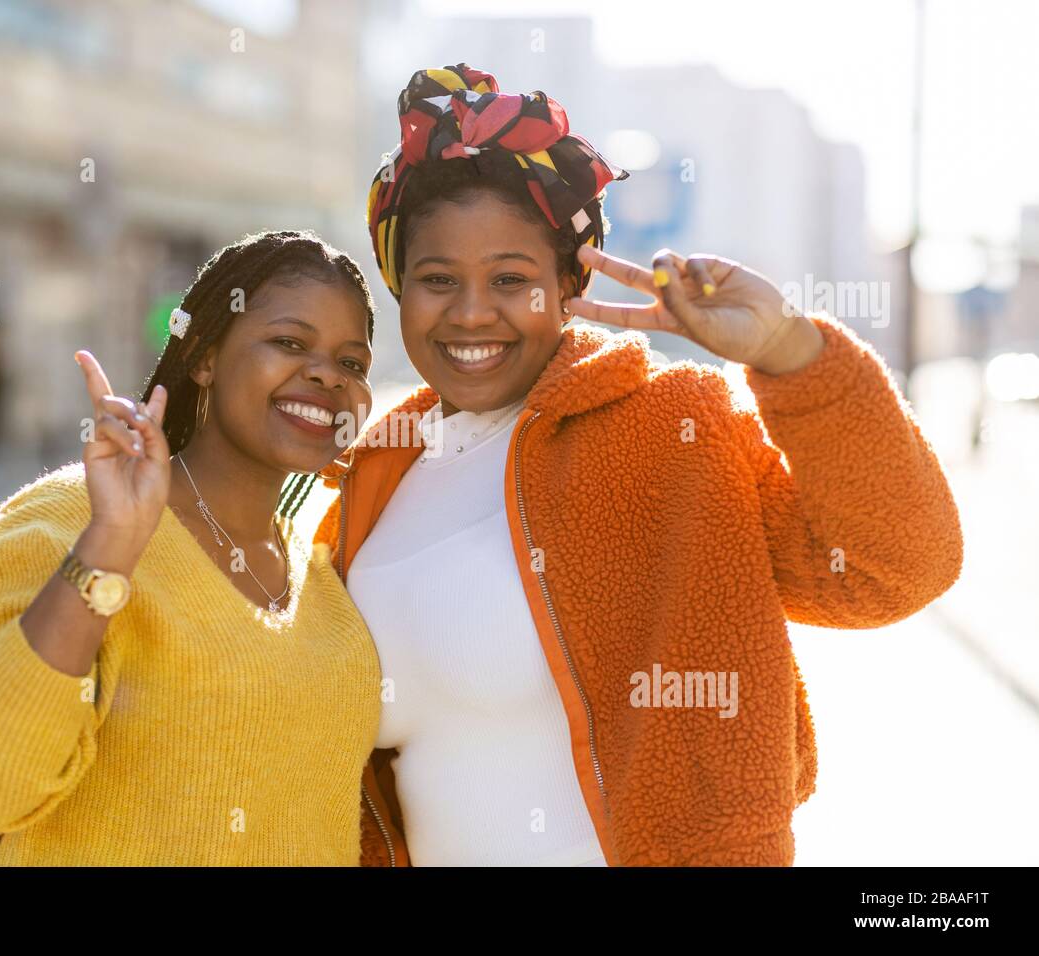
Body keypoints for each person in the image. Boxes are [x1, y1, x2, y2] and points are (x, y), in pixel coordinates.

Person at [313, 64, 964, 866]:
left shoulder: (669, 426)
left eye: (511, 279)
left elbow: (892, 568)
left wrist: (790, 353)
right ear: (398, 289)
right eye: (437, 280)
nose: (471, 311)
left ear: (569, 282)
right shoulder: (376, 477)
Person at [0, 230, 384, 865]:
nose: (328, 373)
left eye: (352, 362)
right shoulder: (69, 521)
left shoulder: (327, 581)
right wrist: (110, 546)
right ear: (205, 357)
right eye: (289, 343)